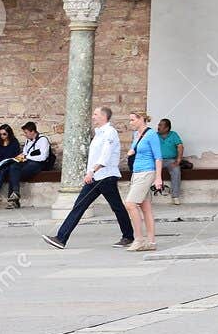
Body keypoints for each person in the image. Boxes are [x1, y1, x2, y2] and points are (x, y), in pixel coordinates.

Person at [42, 107, 133, 249]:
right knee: (80, 206)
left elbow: (105, 155)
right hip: (96, 177)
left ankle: (129, 236)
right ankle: (61, 238)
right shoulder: (98, 133)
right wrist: (91, 173)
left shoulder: (110, 132)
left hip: (106, 176)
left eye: (95, 114)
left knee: (117, 207)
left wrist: (91, 171)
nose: (93, 117)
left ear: (103, 117)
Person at [122, 112, 163, 252]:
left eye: (133, 120)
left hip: (147, 172)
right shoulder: (136, 135)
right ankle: (151, 242)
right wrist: (131, 152)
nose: (130, 122)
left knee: (130, 204)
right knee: (145, 207)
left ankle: (138, 238)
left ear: (141, 119)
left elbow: (158, 157)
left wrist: (158, 178)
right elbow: (135, 149)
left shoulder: (151, 135)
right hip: (137, 172)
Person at [15, 121, 53, 201]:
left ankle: (14, 194)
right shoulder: (28, 140)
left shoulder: (43, 140)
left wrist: (27, 157)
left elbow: (43, 157)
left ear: (32, 131)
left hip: (40, 164)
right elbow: (25, 152)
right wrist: (20, 157)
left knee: (19, 172)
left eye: (26, 132)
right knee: (13, 167)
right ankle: (15, 194)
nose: (25, 134)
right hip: (28, 162)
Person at [156, 118, 184, 204]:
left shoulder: (173, 134)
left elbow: (180, 146)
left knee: (176, 170)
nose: (158, 127)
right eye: (158, 125)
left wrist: (178, 160)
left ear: (167, 128)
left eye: (160, 125)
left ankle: (175, 196)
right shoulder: (154, 135)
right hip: (157, 160)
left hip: (170, 160)